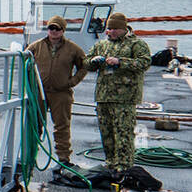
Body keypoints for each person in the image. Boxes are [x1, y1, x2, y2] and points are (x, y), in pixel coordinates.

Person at [85, 11, 151, 178]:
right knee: (106, 131)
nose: (111, 32)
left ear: (123, 29)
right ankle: (110, 163)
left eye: (114, 29)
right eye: (109, 29)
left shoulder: (136, 44)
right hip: (103, 96)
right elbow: (86, 62)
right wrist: (93, 61)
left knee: (123, 132)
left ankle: (124, 166)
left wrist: (120, 62)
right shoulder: (102, 45)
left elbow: (144, 62)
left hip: (125, 97)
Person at [26, 14, 88, 169]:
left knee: (62, 126)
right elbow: (24, 61)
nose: (53, 31)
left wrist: (72, 82)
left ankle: (63, 159)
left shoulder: (73, 48)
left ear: (63, 30)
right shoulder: (36, 46)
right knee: (34, 124)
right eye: (51, 28)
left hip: (61, 93)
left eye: (57, 28)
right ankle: (29, 156)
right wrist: (29, 83)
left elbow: (85, 65)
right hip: (39, 92)